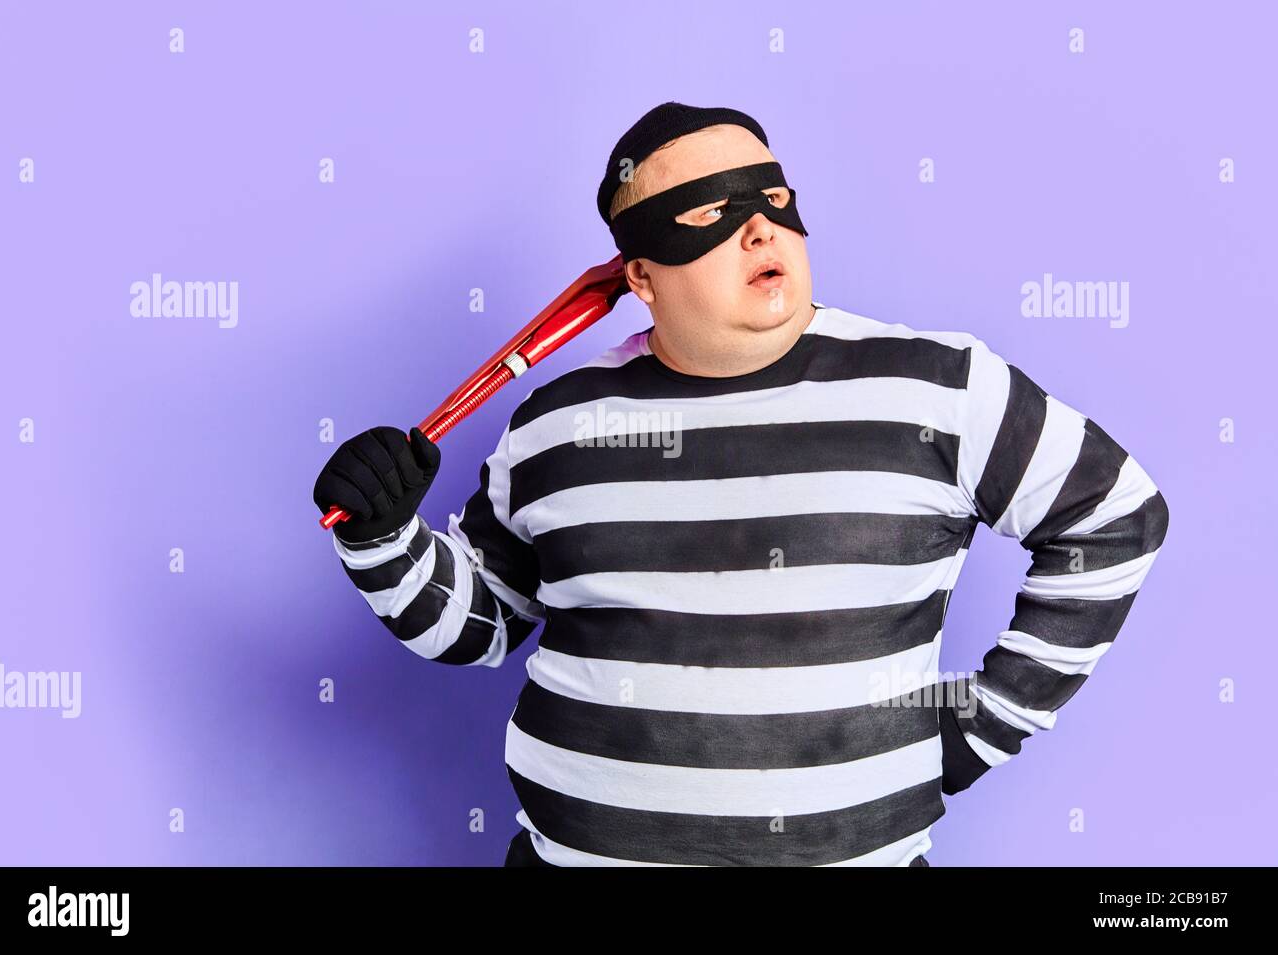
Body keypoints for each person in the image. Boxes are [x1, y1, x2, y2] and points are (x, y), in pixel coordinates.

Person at [313, 102, 1169, 867]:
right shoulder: (555, 422)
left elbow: (1118, 518)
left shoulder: (941, 389)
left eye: (775, 199)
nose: (760, 230)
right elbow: (481, 626)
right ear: (641, 276)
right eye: (708, 214)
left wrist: (982, 724)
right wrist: (383, 537)